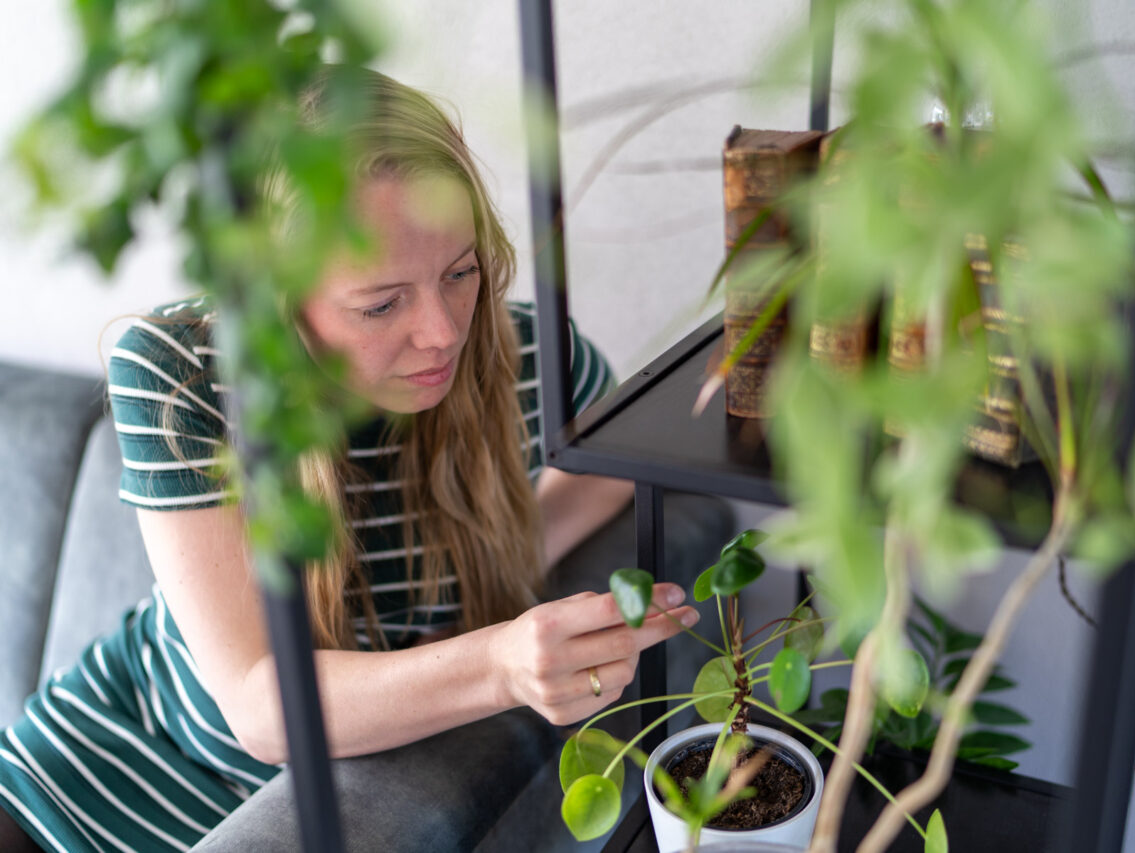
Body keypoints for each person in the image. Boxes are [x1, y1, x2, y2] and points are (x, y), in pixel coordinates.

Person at [0, 68, 699, 852]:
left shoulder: (529, 353)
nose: (442, 330)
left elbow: (613, 461)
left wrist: (511, 550)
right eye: (381, 302)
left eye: (461, 272)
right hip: (73, 782)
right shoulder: (184, 369)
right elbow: (263, 707)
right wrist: (501, 659)